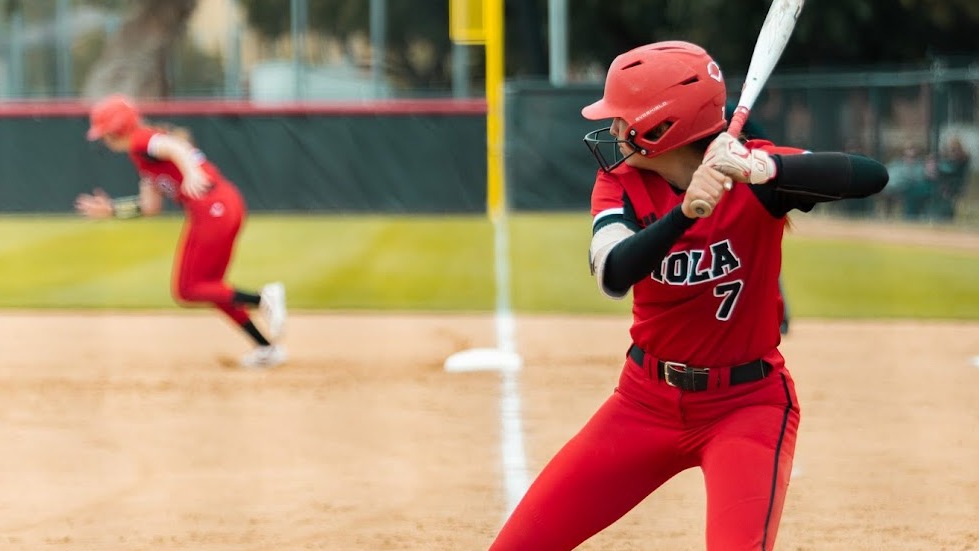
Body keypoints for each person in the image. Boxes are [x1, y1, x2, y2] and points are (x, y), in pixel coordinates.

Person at [487, 41, 888, 550]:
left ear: (661, 129)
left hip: (746, 407)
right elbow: (615, 272)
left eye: (623, 118)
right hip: (643, 401)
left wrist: (763, 170)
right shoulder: (619, 182)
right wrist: (684, 214)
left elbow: (871, 175)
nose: (613, 129)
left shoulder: (755, 171)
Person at [76, 93, 288, 369]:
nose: (103, 139)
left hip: (213, 209)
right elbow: (151, 207)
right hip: (223, 207)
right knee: (212, 288)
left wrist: (190, 172)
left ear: (115, 130)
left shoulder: (142, 139)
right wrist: (112, 210)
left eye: (104, 132)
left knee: (188, 289)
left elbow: (174, 147)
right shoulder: (141, 154)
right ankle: (266, 348)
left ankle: (264, 298)